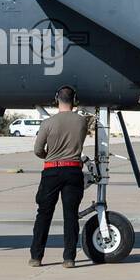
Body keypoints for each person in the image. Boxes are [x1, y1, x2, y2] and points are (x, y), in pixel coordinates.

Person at [28, 86, 90, 267]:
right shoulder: (81, 122)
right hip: (73, 170)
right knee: (70, 215)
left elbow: (37, 150)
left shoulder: (47, 123)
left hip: (52, 171)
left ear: (57, 99)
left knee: (44, 214)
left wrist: (49, 155)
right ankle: (69, 258)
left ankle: (36, 257)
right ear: (75, 100)